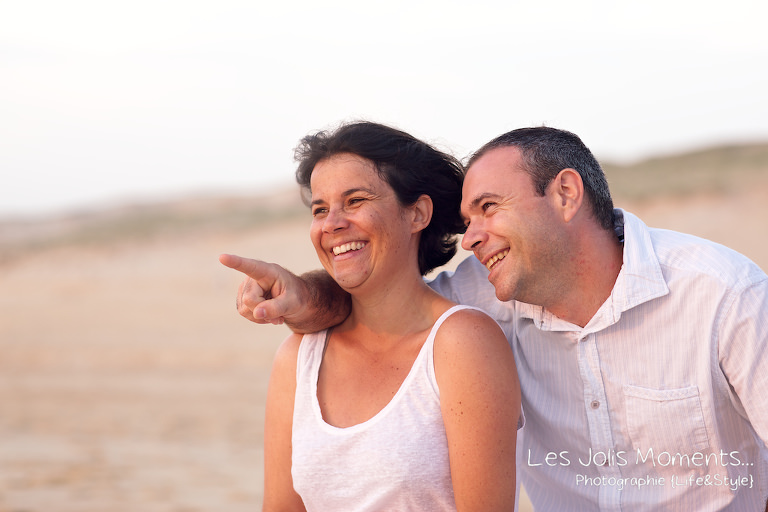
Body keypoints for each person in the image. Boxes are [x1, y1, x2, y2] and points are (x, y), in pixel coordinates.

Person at [222, 126, 768, 511]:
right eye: (465, 219)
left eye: (489, 208)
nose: (473, 238)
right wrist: (303, 293)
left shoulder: (724, 295)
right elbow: (386, 301)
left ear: (565, 194)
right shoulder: (491, 288)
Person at [221, 121, 520, 511]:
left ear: (417, 214)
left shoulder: (462, 342)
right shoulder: (298, 358)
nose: (331, 224)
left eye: (356, 200)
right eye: (320, 209)